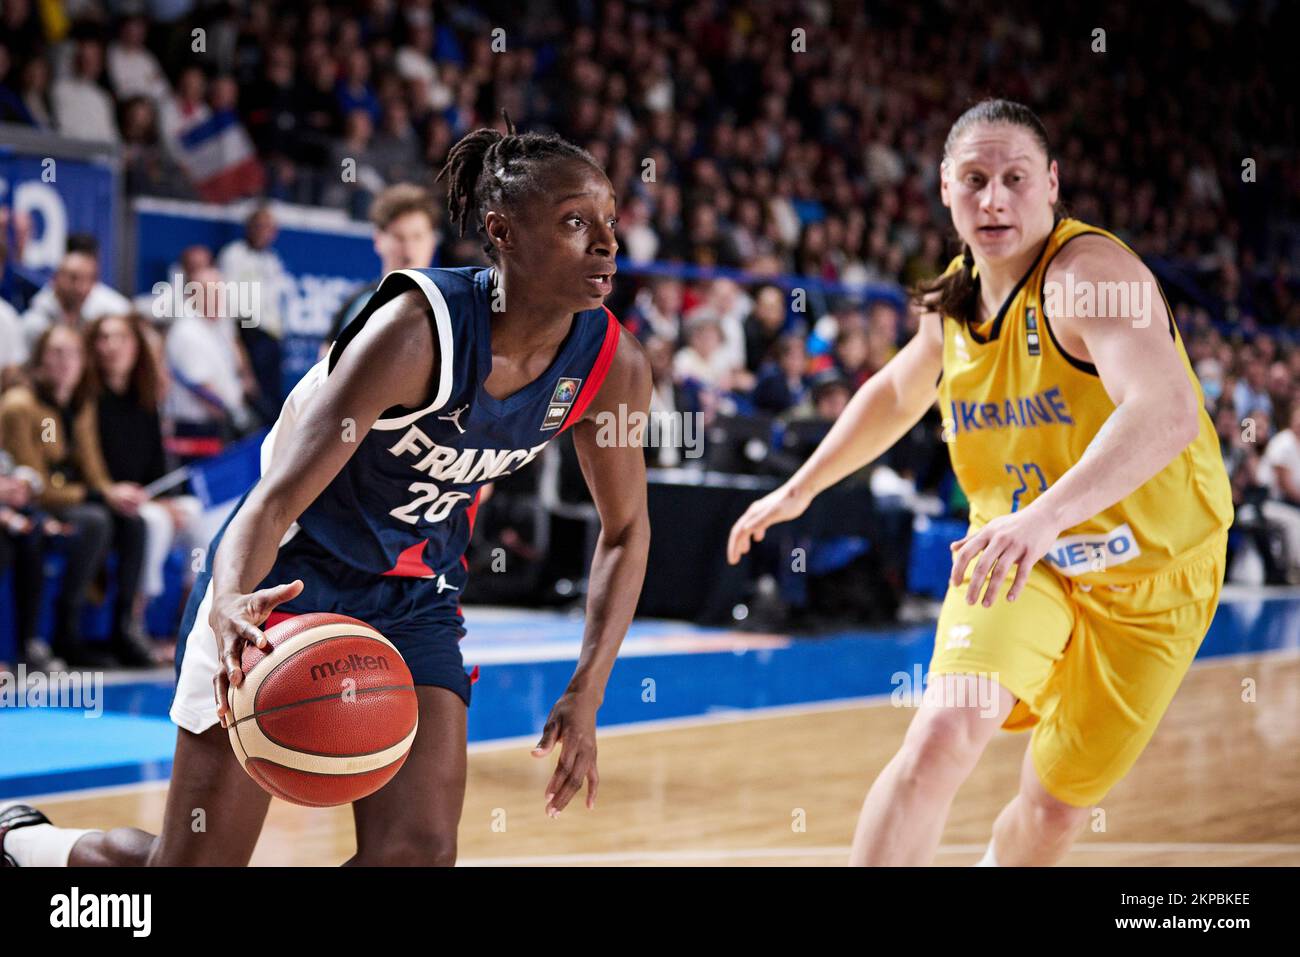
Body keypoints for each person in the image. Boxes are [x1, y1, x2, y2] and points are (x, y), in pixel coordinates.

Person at [2, 122, 651, 868]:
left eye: (609, 221)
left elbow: (626, 530)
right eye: (575, 222)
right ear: (502, 231)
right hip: (285, 577)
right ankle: (29, 843)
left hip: (415, 595)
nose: (607, 243)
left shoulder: (614, 366)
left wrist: (587, 690)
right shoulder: (416, 333)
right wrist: (229, 602)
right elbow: (273, 499)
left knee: (416, 854)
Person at [727, 99, 1233, 867]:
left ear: (1051, 184)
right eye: (974, 179)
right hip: (1018, 556)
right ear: (944, 187)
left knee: (1052, 809)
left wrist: (1047, 516)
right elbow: (897, 391)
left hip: (1155, 572)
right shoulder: (954, 298)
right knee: (939, 734)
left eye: (1014, 178)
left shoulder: (1089, 276)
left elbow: (1167, 411)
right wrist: (801, 487)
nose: (993, 199)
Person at [0, 326, 148, 667]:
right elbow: (34, 487)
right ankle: (65, 633)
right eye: (56, 353)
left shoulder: (80, 404)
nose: (66, 362)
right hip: (40, 506)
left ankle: (123, 629)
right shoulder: (20, 406)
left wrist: (113, 493)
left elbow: (93, 468)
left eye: (74, 354)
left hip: (70, 500)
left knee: (132, 522)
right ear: (39, 360)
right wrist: (97, 495)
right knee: (95, 521)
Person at [86, 313, 201, 654]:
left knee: (197, 514)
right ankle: (134, 621)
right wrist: (127, 495)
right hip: (109, 497)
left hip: (145, 495)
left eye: (120, 338)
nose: (111, 347)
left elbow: (155, 471)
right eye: (104, 339)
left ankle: (188, 625)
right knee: (155, 522)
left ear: (136, 348)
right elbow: (91, 466)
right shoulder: (88, 399)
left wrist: (159, 498)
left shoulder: (146, 400)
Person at [325, 183, 439, 345]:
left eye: (418, 236)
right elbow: (327, 357)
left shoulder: (449, 306)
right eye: (399, 237)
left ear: (432, 241)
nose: (409, 249)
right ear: (378, 240)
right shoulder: (358, 305)